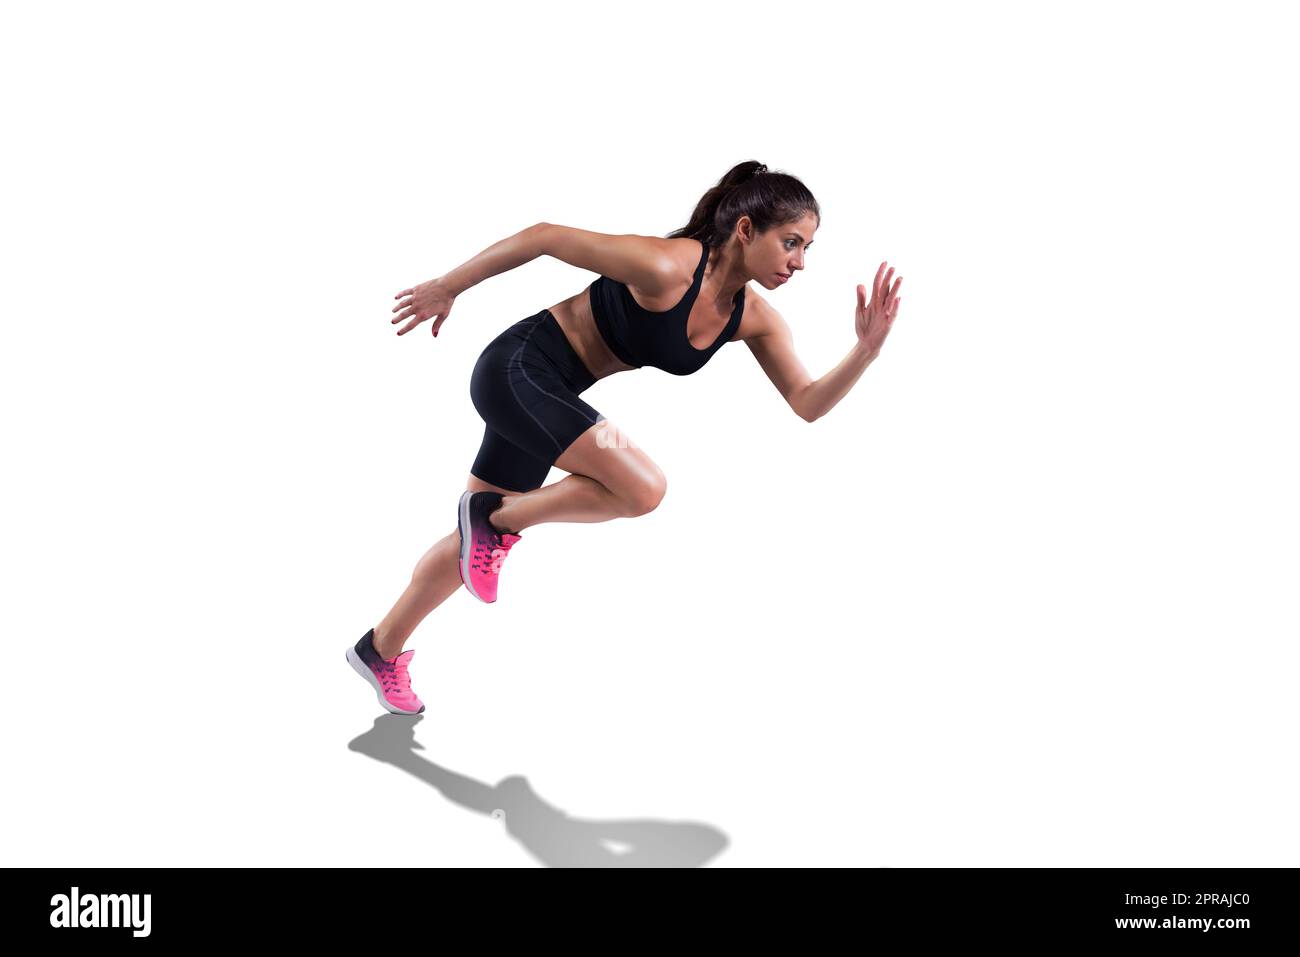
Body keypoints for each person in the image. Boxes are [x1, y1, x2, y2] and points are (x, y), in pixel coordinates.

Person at [345, 160, 903, 715]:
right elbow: (545, 236)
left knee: (469, 548)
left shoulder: (752, 316)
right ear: (745, 230)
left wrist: (866, 350)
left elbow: (807, 402)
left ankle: (380, 647)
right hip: (517, 369)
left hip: (550, 398)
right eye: (791, 243)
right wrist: (447, 287)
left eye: (807, 248)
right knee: (644, 486)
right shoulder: (665, 266)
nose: (799, 262)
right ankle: (496, 518)